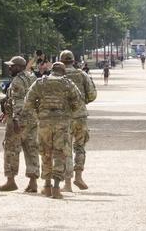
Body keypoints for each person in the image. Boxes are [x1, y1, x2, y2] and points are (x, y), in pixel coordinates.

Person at [24, 62, 83, 199]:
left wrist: (38, 113)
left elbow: (28, 102)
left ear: (51, 70)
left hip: (44, 123)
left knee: (45, 153)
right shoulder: (68, 84)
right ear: (63, 71)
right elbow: (78, 102)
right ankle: (57, 187)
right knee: (60, 154)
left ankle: (47, 185)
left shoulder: (40, 83)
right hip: (62, 123)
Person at [0, 55, 39, 193]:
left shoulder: (17, 81)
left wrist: (15, 119)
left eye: (12, 66)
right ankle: (33, 182)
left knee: (11, 149)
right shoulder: (32, 78)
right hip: (32, 119)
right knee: (31, 149)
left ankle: (11, 180)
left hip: (19, 120)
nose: (9, 67)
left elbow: (19, 102)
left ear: (19, 67)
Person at [60, 49, 96, 192]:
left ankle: (67, 183)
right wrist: (82, 102)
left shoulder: (56, 76)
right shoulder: (82, 74)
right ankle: (78, 176)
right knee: (80, 147)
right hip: (80, 116)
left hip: (63, 117)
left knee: (65, 149)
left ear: (61, 61)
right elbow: (92, 94)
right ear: (73, 60)